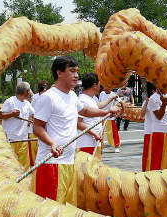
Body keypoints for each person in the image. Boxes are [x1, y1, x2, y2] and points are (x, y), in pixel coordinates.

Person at [32, 57, 118, 203]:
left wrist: (107, 112)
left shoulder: (72, 95)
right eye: (72, 71)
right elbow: (37, 126)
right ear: (59, 73)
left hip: (69, 162)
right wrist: (52, 143)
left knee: (66, 210)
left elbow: (84, 110)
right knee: (50, 213)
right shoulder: (48, 97)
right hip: (51, 164)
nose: (77, 75)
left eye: (77, 71)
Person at [142, 82, 167, 170]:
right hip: (159, 131)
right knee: (157, 159)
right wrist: (163, 103)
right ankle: (155, 180)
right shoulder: (153, 98)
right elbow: (159, 116)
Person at [1, 82, 35, 168]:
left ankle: (24, 181)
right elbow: (1, 115)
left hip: (23, 139)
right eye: (29, 90)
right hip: (11, 138)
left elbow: (35, 114)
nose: (30, 92)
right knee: (10, 165)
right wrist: (12, 114)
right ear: (26, 91)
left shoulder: (27, 103)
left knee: (24, 166)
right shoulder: (10, 101)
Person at [76, 73, 106, 157]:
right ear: (94, 85)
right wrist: (94, 134)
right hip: (86, 144)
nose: (101, 86)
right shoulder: (82, 100)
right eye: (100, 83)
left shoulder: (91, 99)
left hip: (94, 143)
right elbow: (78, 123)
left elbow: (98, 107)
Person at [98, 86, 121, 152]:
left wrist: (120, 113)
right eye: (105, 86)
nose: (105, 88)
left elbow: (120, 103)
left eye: (108, 86)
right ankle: (101, 146)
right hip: (102, 115)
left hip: (110, 116)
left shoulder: (113, 94)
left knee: (113, 132)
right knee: (100, 132)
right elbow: (100, 104)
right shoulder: (102, 93)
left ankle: (116, 146)